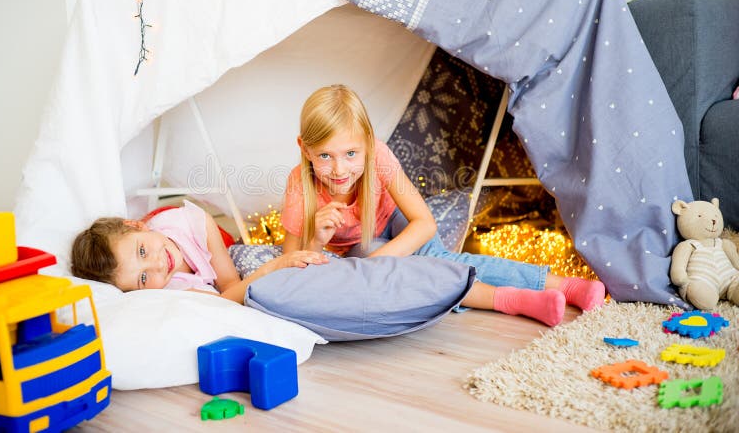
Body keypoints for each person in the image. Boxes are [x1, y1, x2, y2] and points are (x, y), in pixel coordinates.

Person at [280, 84, 606, 325]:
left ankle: (565, 286)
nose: (339, 169)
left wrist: (379, 260)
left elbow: (424, 223)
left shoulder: (378, 155)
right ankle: (520, 300)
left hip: (391, 225)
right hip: (359, 251)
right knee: (401, 269)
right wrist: (317, 241)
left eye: (351, 154)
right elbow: (290, 267)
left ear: (366, 144)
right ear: (305, 149)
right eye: (325, 155)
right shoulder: (300, 184)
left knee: (433, 258)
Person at [72, 201, 575, 327]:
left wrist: (293, 254)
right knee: (376, 275)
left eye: (144, 252)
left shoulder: (185, 218)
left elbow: (229, 275)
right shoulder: (171, 288)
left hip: (254, 259)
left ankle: (538, 291)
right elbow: (233, 293)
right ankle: (526, 296)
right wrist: (281, 265)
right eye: (142, 278)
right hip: (261, 269)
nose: (155, 267)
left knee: (420, 257)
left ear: (138, 227)